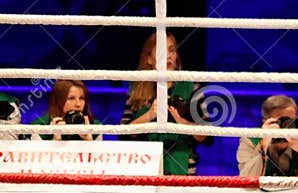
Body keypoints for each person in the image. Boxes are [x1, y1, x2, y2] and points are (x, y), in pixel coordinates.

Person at [122, 31, 208, 175]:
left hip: (184, 171)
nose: (168, 55)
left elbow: (206, 136)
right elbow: (123, 133)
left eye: (172, 50)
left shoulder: (193, 87)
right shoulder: (136, 89)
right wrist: (149, 116)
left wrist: (181, 122)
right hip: (144, 168)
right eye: (162, 50)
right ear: (149, 58)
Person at [237, 95, 298, 177]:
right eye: (280, 121)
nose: (286, 126)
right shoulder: (250, 138)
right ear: (265, 122)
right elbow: (247, 181)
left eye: (289, 121)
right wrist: (262, 146)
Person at [30, 80, 103, 141]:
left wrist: (89, 141)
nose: (78, 104)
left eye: (81, 98)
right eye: (71, 98)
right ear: (58, 100)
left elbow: (102, 157)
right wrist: (55, 141)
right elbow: (35, 157)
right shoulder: (39, 126)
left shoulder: (96, 126)